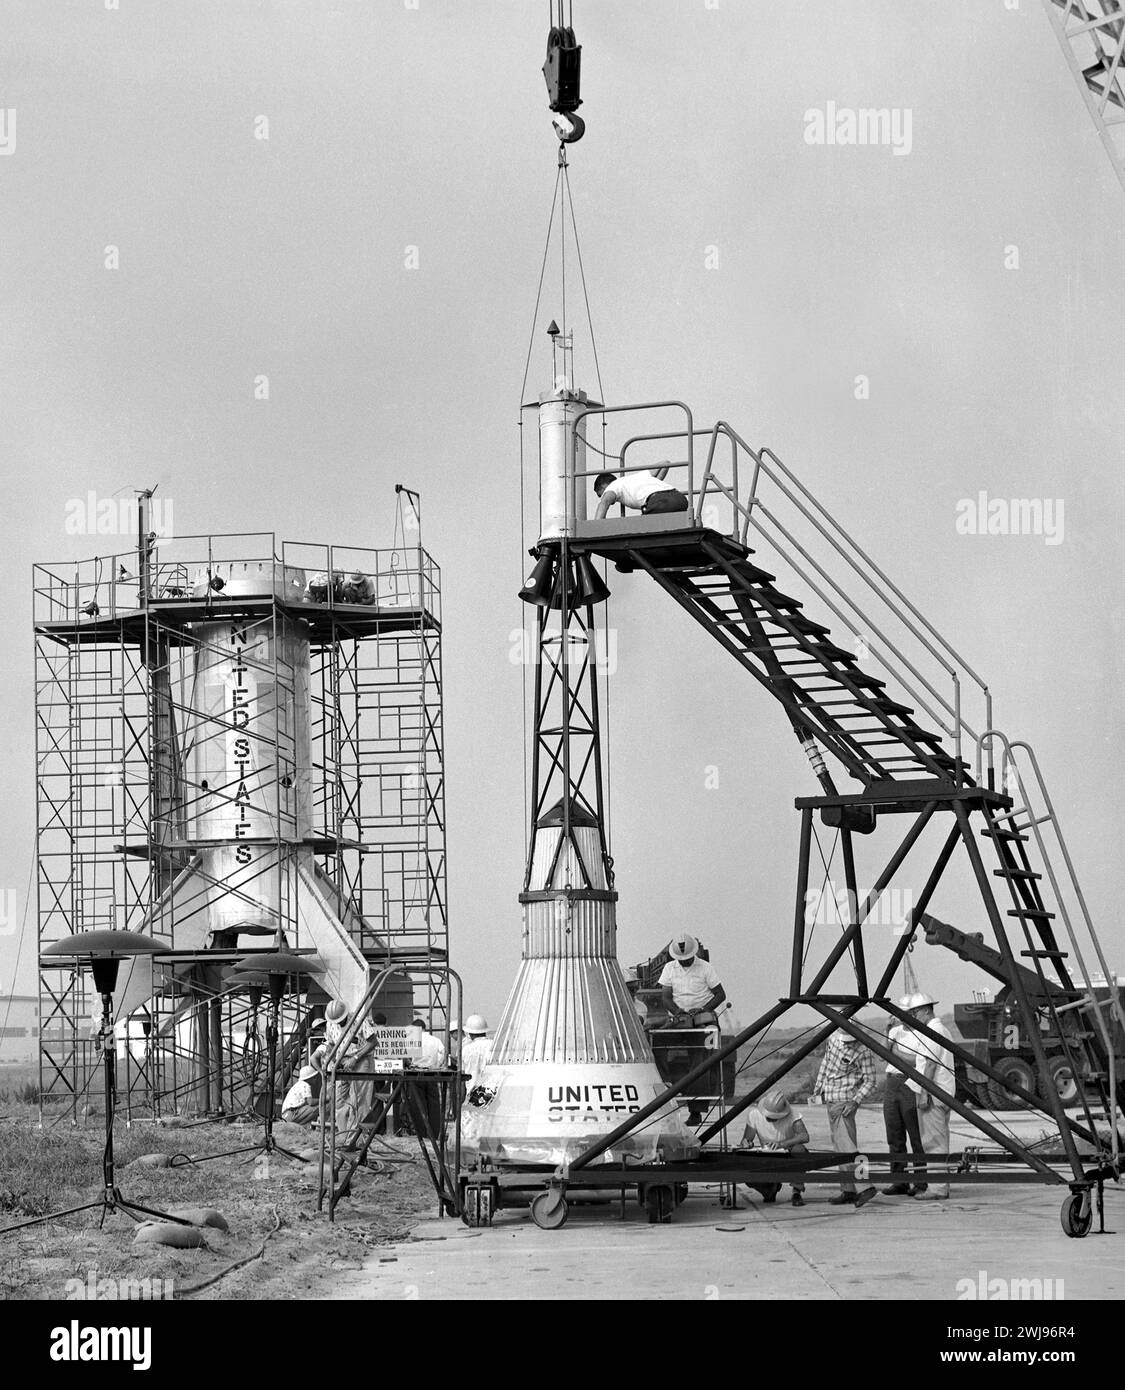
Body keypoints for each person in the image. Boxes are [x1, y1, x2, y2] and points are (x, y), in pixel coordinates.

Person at [812, 1028, 878, 1207]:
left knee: (848, 1147)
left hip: (845, 1101)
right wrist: (818, 1089)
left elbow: (871, 1080)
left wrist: (856, 1101)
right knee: (840, 1148)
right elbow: (826, 1063)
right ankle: (848, 1190)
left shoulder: (863, 1050)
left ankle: (866, 1186)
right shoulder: (833, 1040)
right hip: (831, 1099)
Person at [901, 993, 954, 1201]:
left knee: (934, 1142)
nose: (914, 1017)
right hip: (940, 1092)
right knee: (936, 1140)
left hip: (933, 1094)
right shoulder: (939, 1029)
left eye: (915, 1012)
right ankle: (940, 1185)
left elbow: (930, 1064)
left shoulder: (934, 1030)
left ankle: (938, 1188)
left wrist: (924, 1093)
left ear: (925, 1010)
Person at [881, 997, 929, 1197]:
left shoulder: (921, 1035)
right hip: (892, 1081)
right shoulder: (895, 1032)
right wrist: (887, 1032)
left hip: (909, 1083)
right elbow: (884, 1052)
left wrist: (897, 1052)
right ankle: (899, 1180)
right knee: (894, 1134)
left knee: (915, 1135)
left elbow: (916, 1062)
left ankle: (920, 1181)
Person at [741, 1090, 810, 1207]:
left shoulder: (793, 1115)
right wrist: (746, 1143)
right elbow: (747, 1139)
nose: (769, 1118)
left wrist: (782, 1144)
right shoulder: (754, 1114)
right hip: (766, 1154)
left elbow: (804, 1136)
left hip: (787, 1153)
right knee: (743, 1164)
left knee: (800, 1150)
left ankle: (796, 1191)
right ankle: (769, 1189)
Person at [657, 935, 726, 1025]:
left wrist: (703, 1010)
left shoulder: (706, 967)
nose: (684, 961)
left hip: (704, 1019)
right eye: (681, 959)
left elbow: (720, 995)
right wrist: (678, 1012)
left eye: (687, 958)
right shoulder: (669, 968)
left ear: (693, 953)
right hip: (679, 1020)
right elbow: (666, 998)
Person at [593, 464, 689, 519]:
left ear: (604, 486)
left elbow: (604, 502)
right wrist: (656, 484)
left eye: (600, 494)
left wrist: (596, 528)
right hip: (680, 499)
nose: (602, 496)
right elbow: (665, 463)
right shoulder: (638, 477)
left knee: (641, 530)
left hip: (660, 503)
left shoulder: (613, 486)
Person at [459, 1016, 492, 1096]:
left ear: (469, 1033)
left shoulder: (466, 1050)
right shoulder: (494, 1045)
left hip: (472, 1094)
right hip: (492, 1092)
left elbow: (462, 1076)